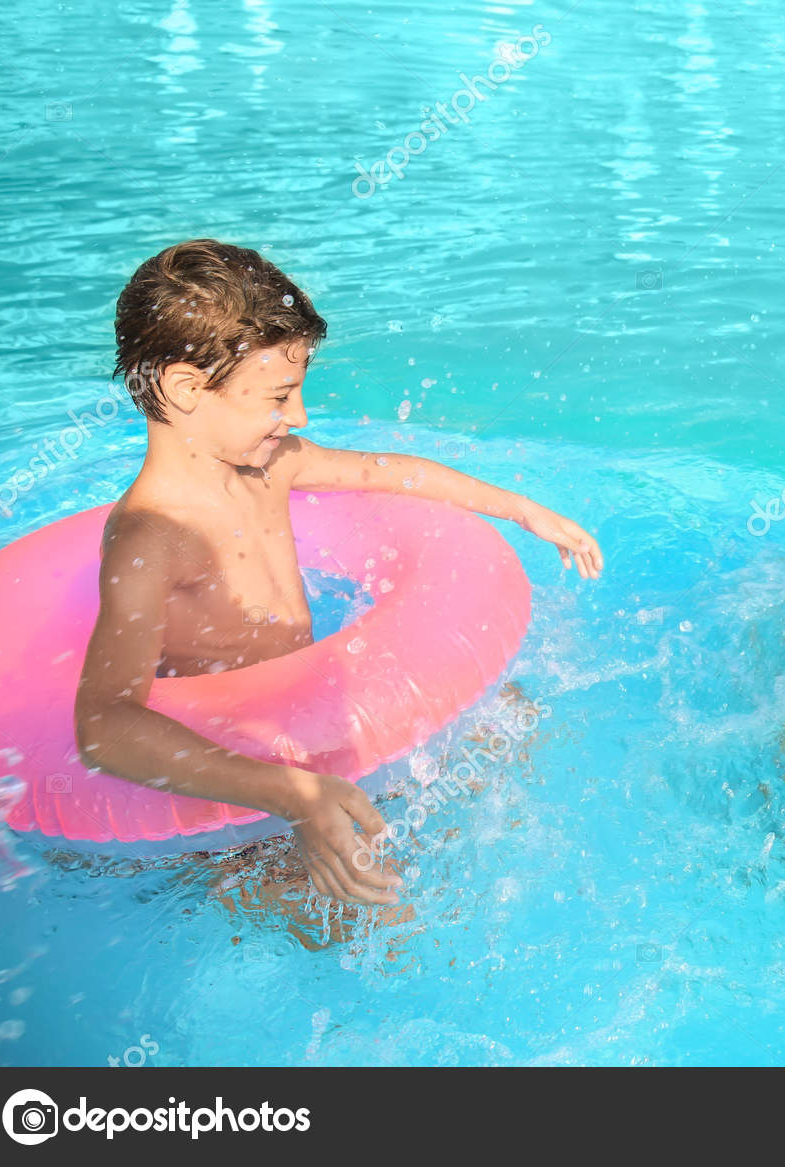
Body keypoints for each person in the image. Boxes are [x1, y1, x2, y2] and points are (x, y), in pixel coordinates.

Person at [74, 239, 603, 907]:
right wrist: (288, 795)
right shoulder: (151, 540)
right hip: (240, 803)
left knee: (514, 717)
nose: (298, 416)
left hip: (317, 737)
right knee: (384, 921)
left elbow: (388, 472)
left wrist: (524, 512)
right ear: (185, 387)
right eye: (278, 394)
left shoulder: (272, 463)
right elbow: (104, 724)